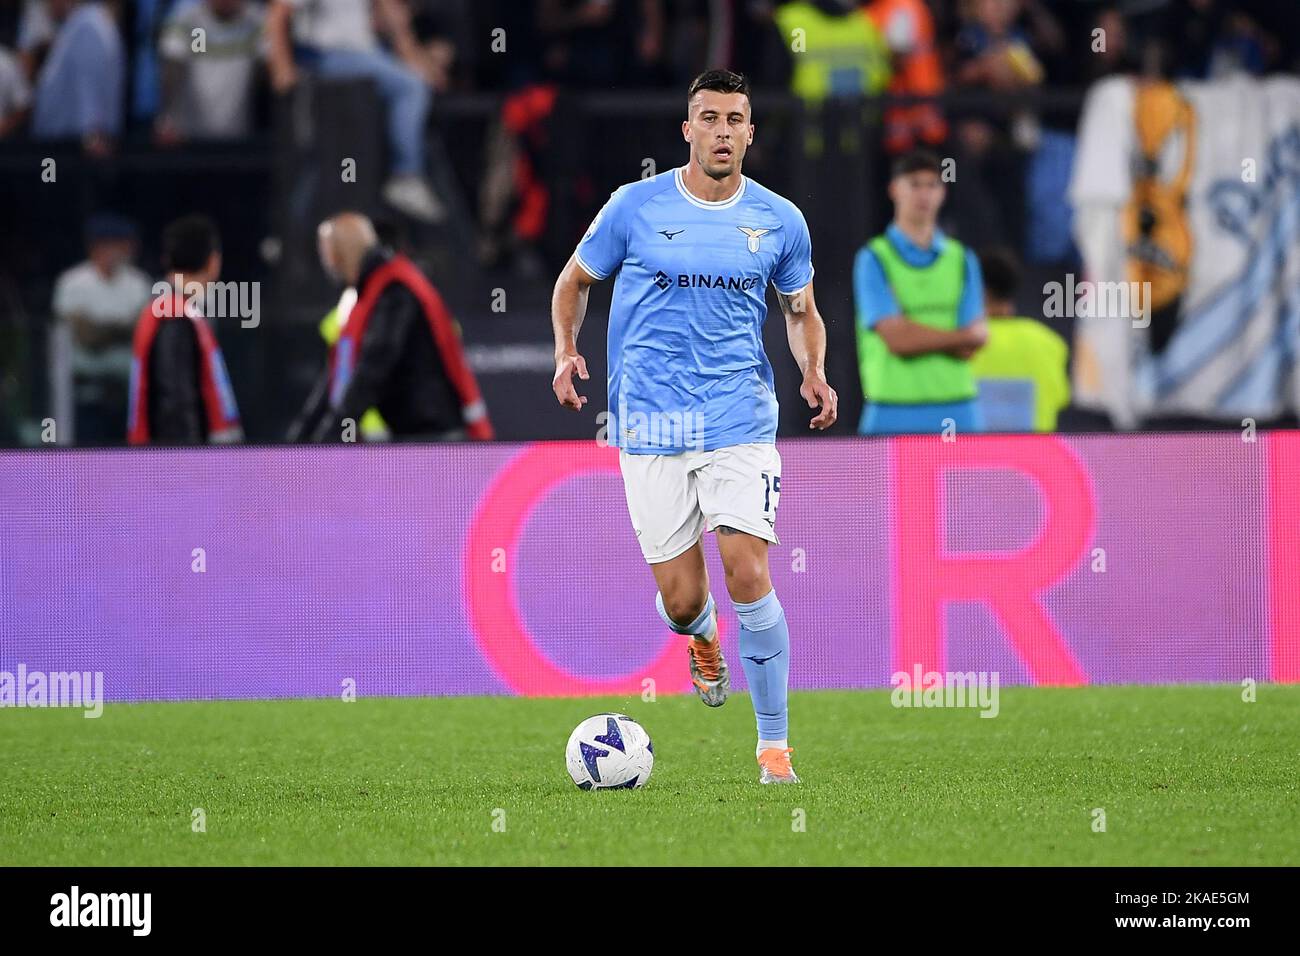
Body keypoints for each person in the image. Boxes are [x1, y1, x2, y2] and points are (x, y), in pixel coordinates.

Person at [549, 69, 838, 785]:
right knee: (682, 600)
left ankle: (775, 751)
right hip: (649, 425)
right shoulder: (634, 207)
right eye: (708, 118)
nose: (721, 131)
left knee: (747, 569)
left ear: (749, 132)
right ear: (687, 130)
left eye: (734, 119)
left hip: (739, 417)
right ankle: (700, 636)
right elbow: (573, 283)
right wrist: (565, 349)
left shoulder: (780, 220)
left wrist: (812, 370)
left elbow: (801, 311)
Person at [290, 212, 493, 443]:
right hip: (419, 434)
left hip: (434, 438)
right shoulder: (371, 291)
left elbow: (372, 366)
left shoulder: (394, 290)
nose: (326, 262)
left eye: (327, 252)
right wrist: (303, 439)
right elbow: (337, 378)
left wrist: (327, 438)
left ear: (341, 253)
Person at [265, 0, 446, 222]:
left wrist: (416, 60)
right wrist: (282, 67)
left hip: (366, 51)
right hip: (323, 55)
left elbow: (391, 15)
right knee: (410, 88)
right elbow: (278, 13)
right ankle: (406, 175)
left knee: (416, 83)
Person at [853, 149, 987, 435]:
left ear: (943, 192)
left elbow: (972, 342)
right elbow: (897, 339)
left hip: (958, 408)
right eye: (915, 184)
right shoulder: (874, 258)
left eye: (932, 185)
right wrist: (957, 336)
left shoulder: (962, 259)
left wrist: (910, 329)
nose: (924, 194)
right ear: (894, 189)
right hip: (892, 409)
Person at [127, 215, 244, 444]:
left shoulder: (169, 310)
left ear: (167, 260)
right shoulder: (174, 316)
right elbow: (176, 403)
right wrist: (186, 464)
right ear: (213, 262)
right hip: (182, 464)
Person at [51, 214, 152, 445]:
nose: (118, 251)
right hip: (85, 393)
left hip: (127, 394)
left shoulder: (140, 283)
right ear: (95, 246)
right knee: (86, 462)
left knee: (130, 463)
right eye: (111, 244)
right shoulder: (72, 282)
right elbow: (85, 336)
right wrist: (122, 328)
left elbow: (143, 332)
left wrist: (101, 329)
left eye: (123, 244)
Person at [969, 247, 1069, 432]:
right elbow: (1059, 400)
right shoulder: (1050, 342)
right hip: (1036, 457)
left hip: (973, 456)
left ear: (981, 290)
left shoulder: (959, 343)